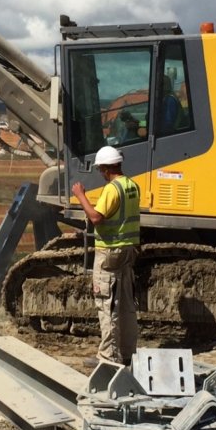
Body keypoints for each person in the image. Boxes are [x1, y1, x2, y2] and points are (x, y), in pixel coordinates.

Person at [70, 145, 140, 366]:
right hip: (128, 250)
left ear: (105, 168)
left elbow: (97, 217)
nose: (101, 173)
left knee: (107, 304)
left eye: (101, 169)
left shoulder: (112, 189)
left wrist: (80, 196)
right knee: (127, 304)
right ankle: (128, 353)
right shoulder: (132, 185)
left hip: (109, 251)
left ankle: (108, 357)